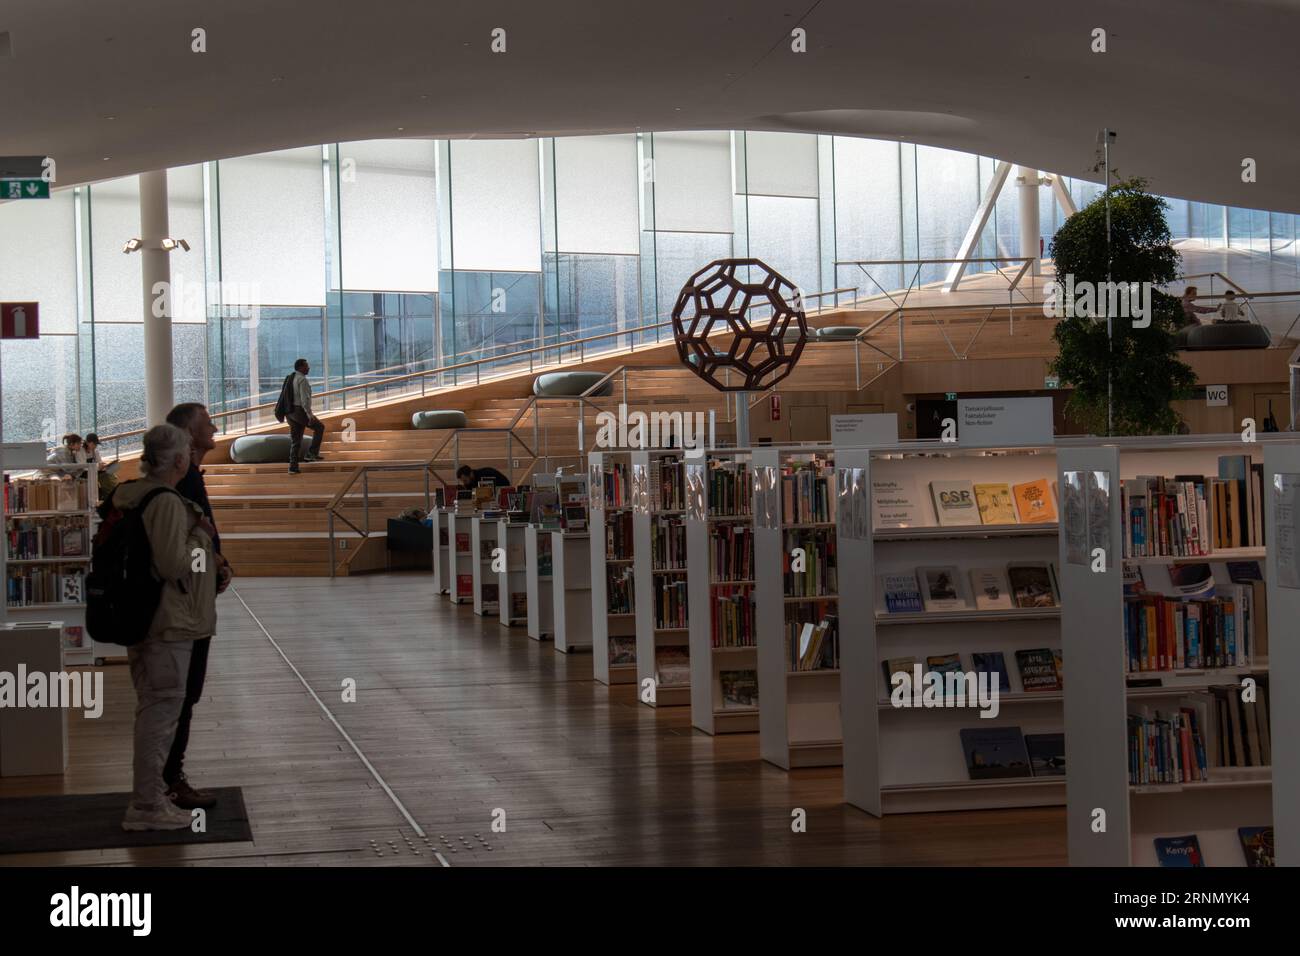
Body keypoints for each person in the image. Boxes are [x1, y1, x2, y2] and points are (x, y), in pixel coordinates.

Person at [117, 424, 217, 831]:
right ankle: (146, 806)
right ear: (178, 459)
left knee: (151, 711)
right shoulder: (167, 502)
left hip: (140, 617)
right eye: (188, 450)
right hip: (168, 621)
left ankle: (150, 799)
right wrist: (201, 541)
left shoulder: (129, 494)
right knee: (160, 717)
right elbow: (176, 565)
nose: (191, 456)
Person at [162, 402, 233, 811]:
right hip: (185, 608)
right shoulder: (183, 481)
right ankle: (170, 780)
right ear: (187, 437)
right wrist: (214, 562)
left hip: (196, 602)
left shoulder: (191, 477)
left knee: (184, 696)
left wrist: (219, 564)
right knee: (181, 697)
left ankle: (170, 778)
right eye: (207, 424)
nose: (215, 427)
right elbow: (185, 545)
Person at [276, 358, 326, 475]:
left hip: (290, 413)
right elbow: (305, 400)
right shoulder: (302, 380)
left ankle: (293, 467)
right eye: (306, 366)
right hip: (299, 411)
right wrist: (309, 414)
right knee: (319, 427)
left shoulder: (291, 378)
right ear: (300, 367)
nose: (308, 368)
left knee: (296, 440)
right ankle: (311, 454)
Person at [83, 432, 119, 500]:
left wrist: (103, 465)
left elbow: (99, 462)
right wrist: (98, 467)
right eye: (94, 444)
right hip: (87, 473)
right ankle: (108, 494)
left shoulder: (95, 451)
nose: (95, 446)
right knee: (105, 476)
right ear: (88, 443)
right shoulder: (82, 452)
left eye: (96, 444)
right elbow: (83, 467)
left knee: (110, 472)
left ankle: (112, 492)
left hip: (96, 471)